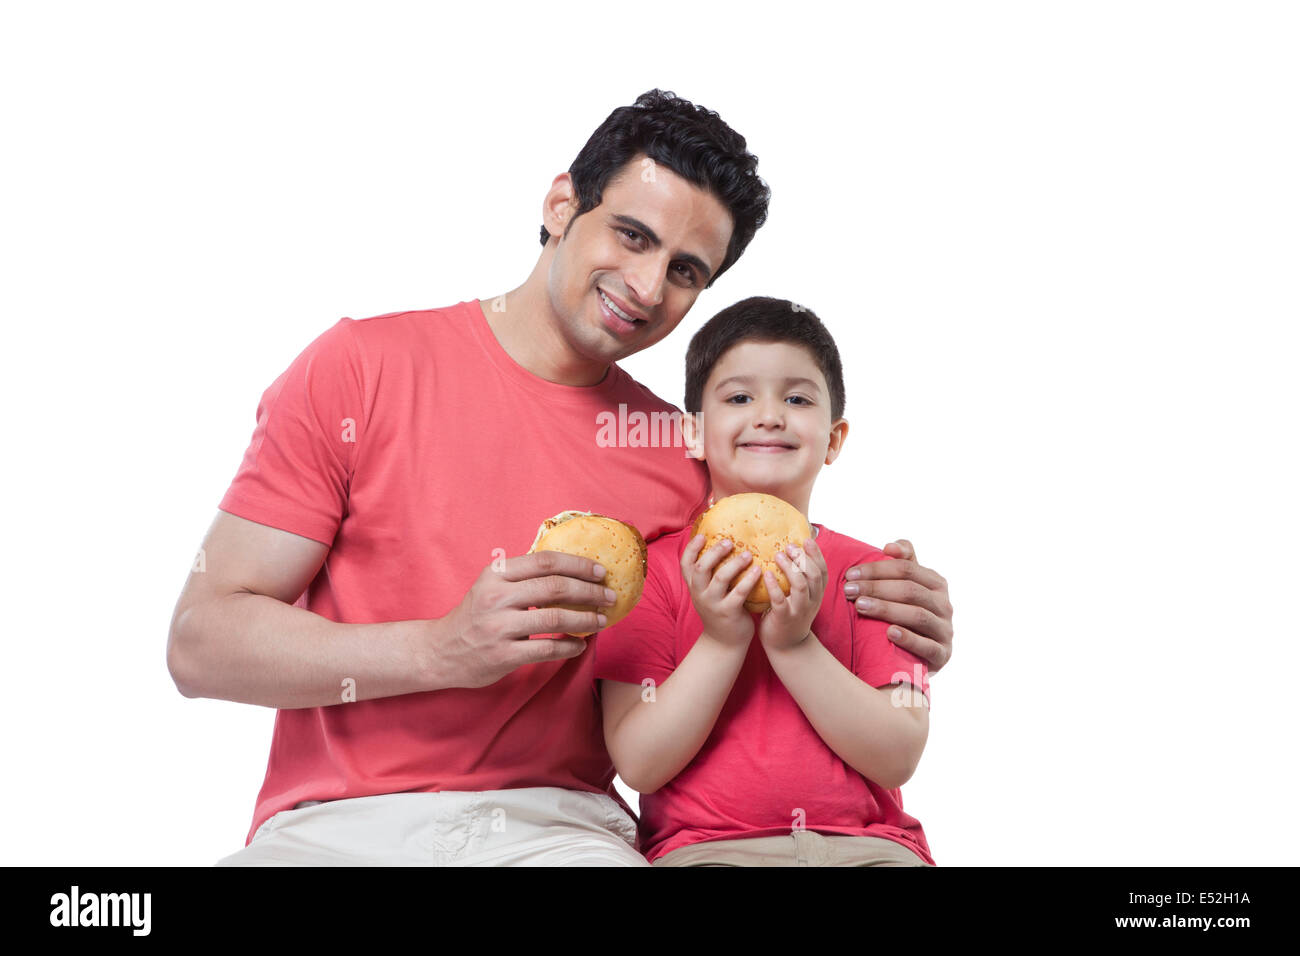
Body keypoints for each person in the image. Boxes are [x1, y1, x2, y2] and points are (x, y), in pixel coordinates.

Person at [166, 89, 955, 866]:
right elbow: (201, 645)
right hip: (335, 827)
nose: (647, 289)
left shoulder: (682, 453)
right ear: (559, 204)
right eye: (631, 235)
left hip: (559, 832)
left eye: (684, 269)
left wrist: (901, 608)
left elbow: (781, 588)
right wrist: (441, 651)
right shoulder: (359, 369)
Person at [597, 296, 935, 866]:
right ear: (695, 434)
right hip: (708, 852)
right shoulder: (653, 574)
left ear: (833, 439)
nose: (769, 415)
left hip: (870, 850)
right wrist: (722, 639)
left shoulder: (875, 575)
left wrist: (795, 645)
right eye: (739, 397)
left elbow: (897, 754)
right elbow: (639, 763)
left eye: (797, 398)